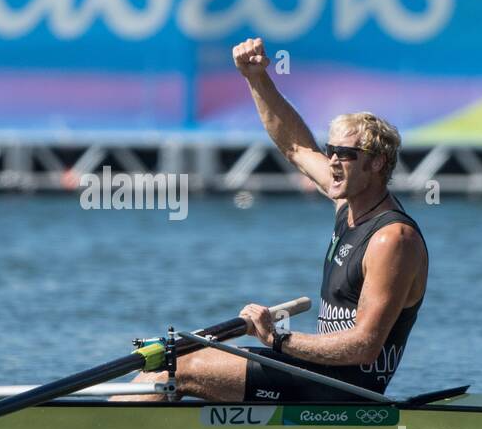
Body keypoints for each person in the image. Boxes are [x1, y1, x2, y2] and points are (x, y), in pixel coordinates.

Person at [126, 37, 428, 402]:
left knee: (175, 371)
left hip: (347, 388)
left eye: (344, 155)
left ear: (377, 163)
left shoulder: (392, 239)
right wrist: (256, 78)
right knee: (172, 361)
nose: (332, 161)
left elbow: (364, 346)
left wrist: (277, 338)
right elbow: (297, 147)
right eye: (330, 151)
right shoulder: (347, 206)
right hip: (317, 372)